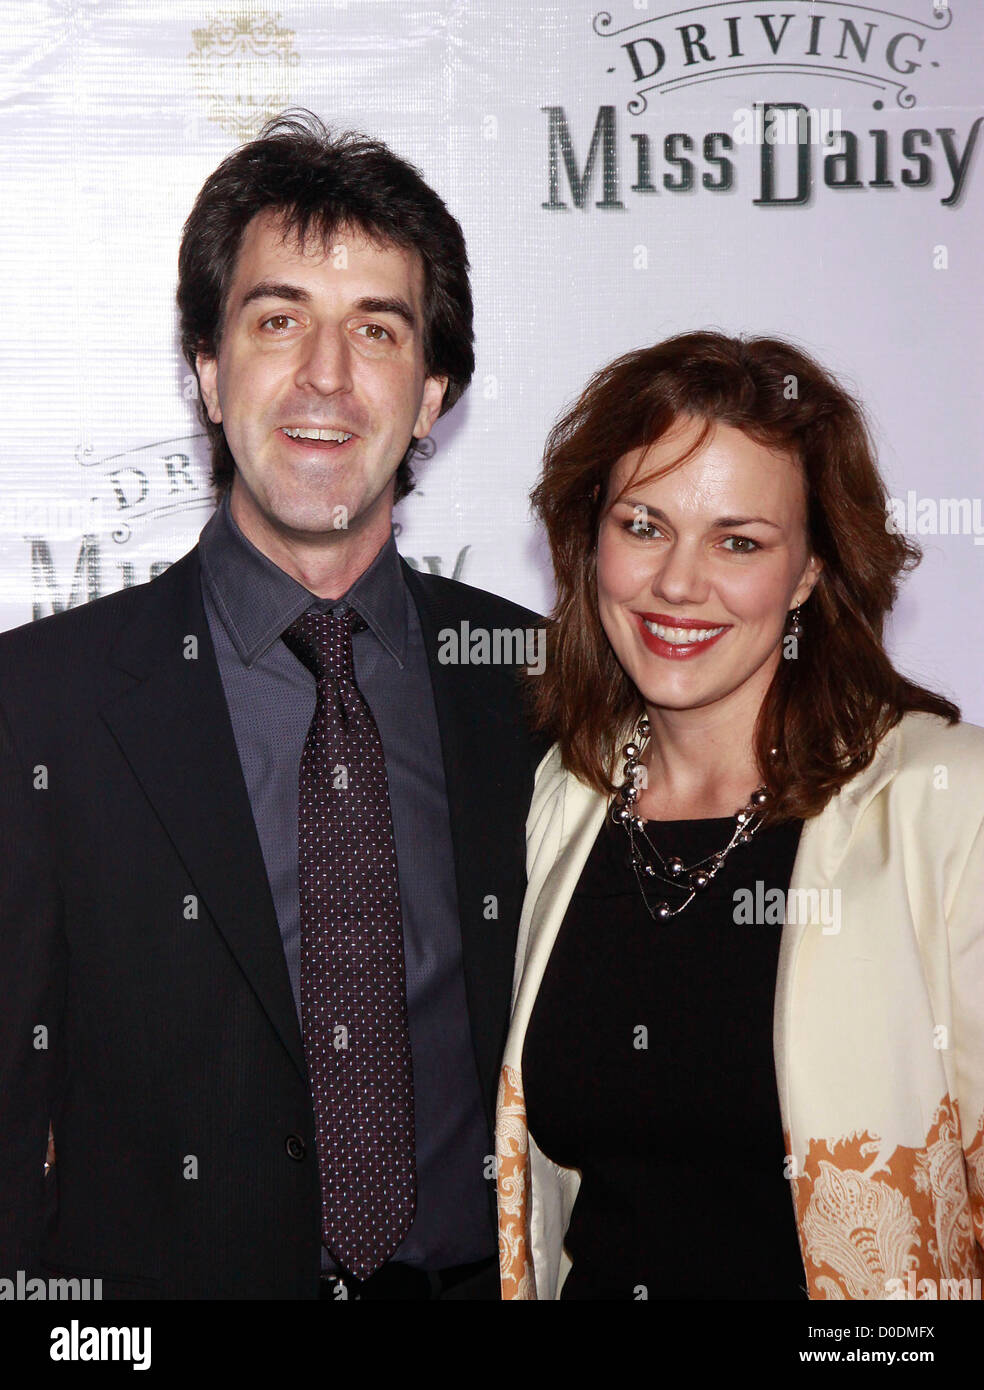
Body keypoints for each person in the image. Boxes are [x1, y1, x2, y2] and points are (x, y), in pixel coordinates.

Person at [0, 110, 547, 1300]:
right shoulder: (38, 705)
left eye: (378, 329)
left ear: (435, 388)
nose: (327, 378)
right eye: (278, 320)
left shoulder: (546, 685)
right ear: (206, 366)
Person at [495, 331, 984, 1301]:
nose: (679, 582)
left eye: (740, 541)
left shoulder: (944, 802)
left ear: (808, 572)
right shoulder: (570, 794)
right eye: (644, 525)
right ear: (590, 537)